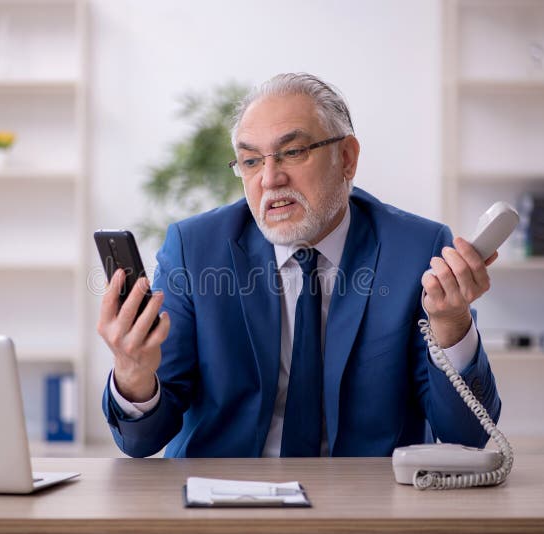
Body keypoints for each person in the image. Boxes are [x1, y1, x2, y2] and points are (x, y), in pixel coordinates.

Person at [98, 73, 501, 458]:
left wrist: (451, 326)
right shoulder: (196, 249)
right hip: (222, 500)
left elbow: (467, 434)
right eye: (251, 161)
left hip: (365, 504)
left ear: (346, 158)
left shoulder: (416, 250)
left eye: (292, 152)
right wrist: (133, 375)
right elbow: (141, 441)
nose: (270, 179)